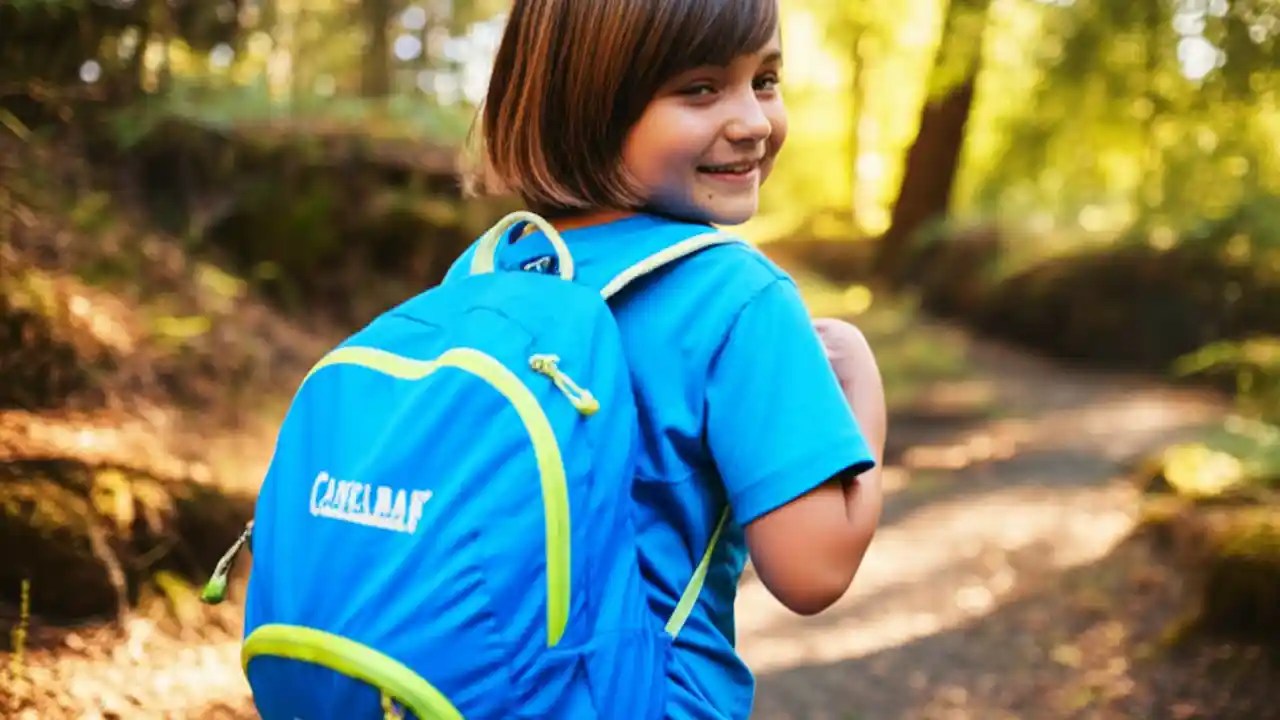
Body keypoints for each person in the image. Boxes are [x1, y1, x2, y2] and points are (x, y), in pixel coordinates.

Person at [447, 0, 887, 717]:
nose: (752, 121)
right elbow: (815, 568)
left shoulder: (487, 268)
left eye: (766, 79)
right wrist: (863, 396)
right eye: (701, 88)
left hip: (465, 693)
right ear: (589, 99)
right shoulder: (737, 296)